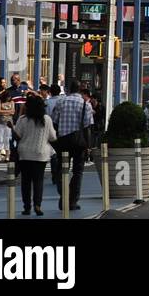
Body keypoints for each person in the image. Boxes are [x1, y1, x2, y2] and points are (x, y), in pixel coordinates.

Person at [48, 79, 94, 211]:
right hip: (79, 142)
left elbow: (54, 123)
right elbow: (87, 127)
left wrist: (55, 141)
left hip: (63, 141)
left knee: (62, 170)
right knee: (78, 172)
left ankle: (63, 196)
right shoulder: (85, 104)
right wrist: (88, 146)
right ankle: (72, 200)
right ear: (80, 89)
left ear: (68, 89)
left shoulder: (61, 102)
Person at [12, 93, 56, 217]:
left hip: (25, 154)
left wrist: (12, 128)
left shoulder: (23, 119)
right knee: (38, 181)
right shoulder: (46, 119)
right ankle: (38, 204)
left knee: (26, 181)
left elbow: (18, 136)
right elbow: (53, 137)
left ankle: (27, 206)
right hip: (41, 154)